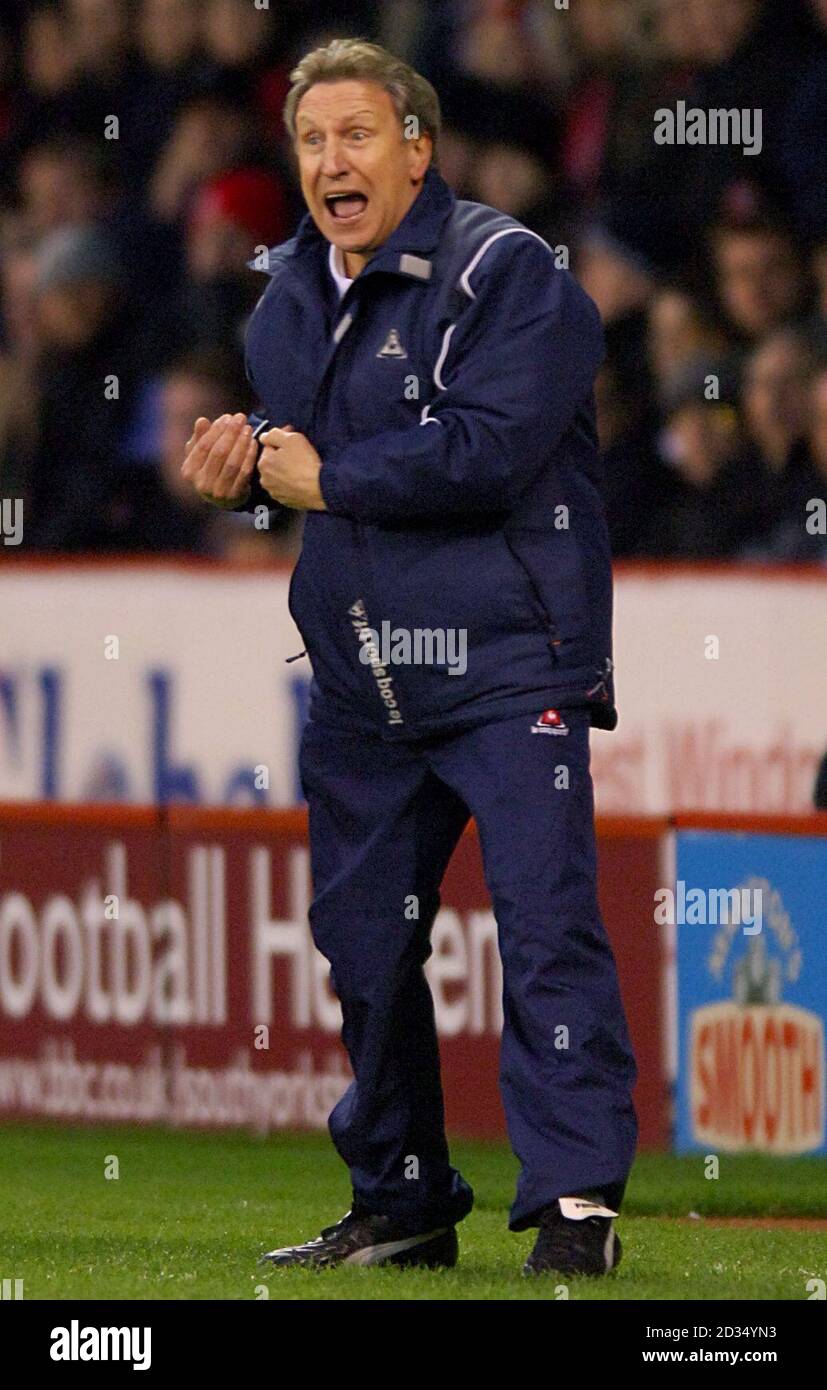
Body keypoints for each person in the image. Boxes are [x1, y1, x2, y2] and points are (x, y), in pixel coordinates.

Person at [181, 38, 637, 1279]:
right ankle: (401, 1200)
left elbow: (489, 450)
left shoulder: (507, 271)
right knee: (363, 946)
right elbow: (303, 459)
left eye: (356, 134)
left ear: (417, 150)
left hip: (509, 665)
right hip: (362, 684)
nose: (330, 159)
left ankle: (574, 1205)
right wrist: (243, 471)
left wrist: (325, 476)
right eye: (310, 140)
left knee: (542, 929)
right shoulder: (286, 294)